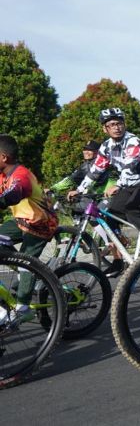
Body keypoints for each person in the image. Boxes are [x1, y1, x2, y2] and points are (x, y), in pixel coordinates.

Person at [68, 108, 140, 277]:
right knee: (109, 216)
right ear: (105, 129)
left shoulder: (133, 141)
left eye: (119, 123)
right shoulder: (106, 147)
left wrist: (118, 184)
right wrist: (80, 190)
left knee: (133, 211)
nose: (117, 127)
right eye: (111, 125)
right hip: (129, 184)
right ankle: (118, 261)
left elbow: (130, 165)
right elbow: (95, 170)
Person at [0, 134, 59, 323]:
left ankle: (23, 307)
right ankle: (32, 272)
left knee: (26, 261)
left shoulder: (20, 175)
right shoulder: (2, 174)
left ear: (3, 157)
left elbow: (14, 194)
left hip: (41, 223)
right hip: (22, 220)